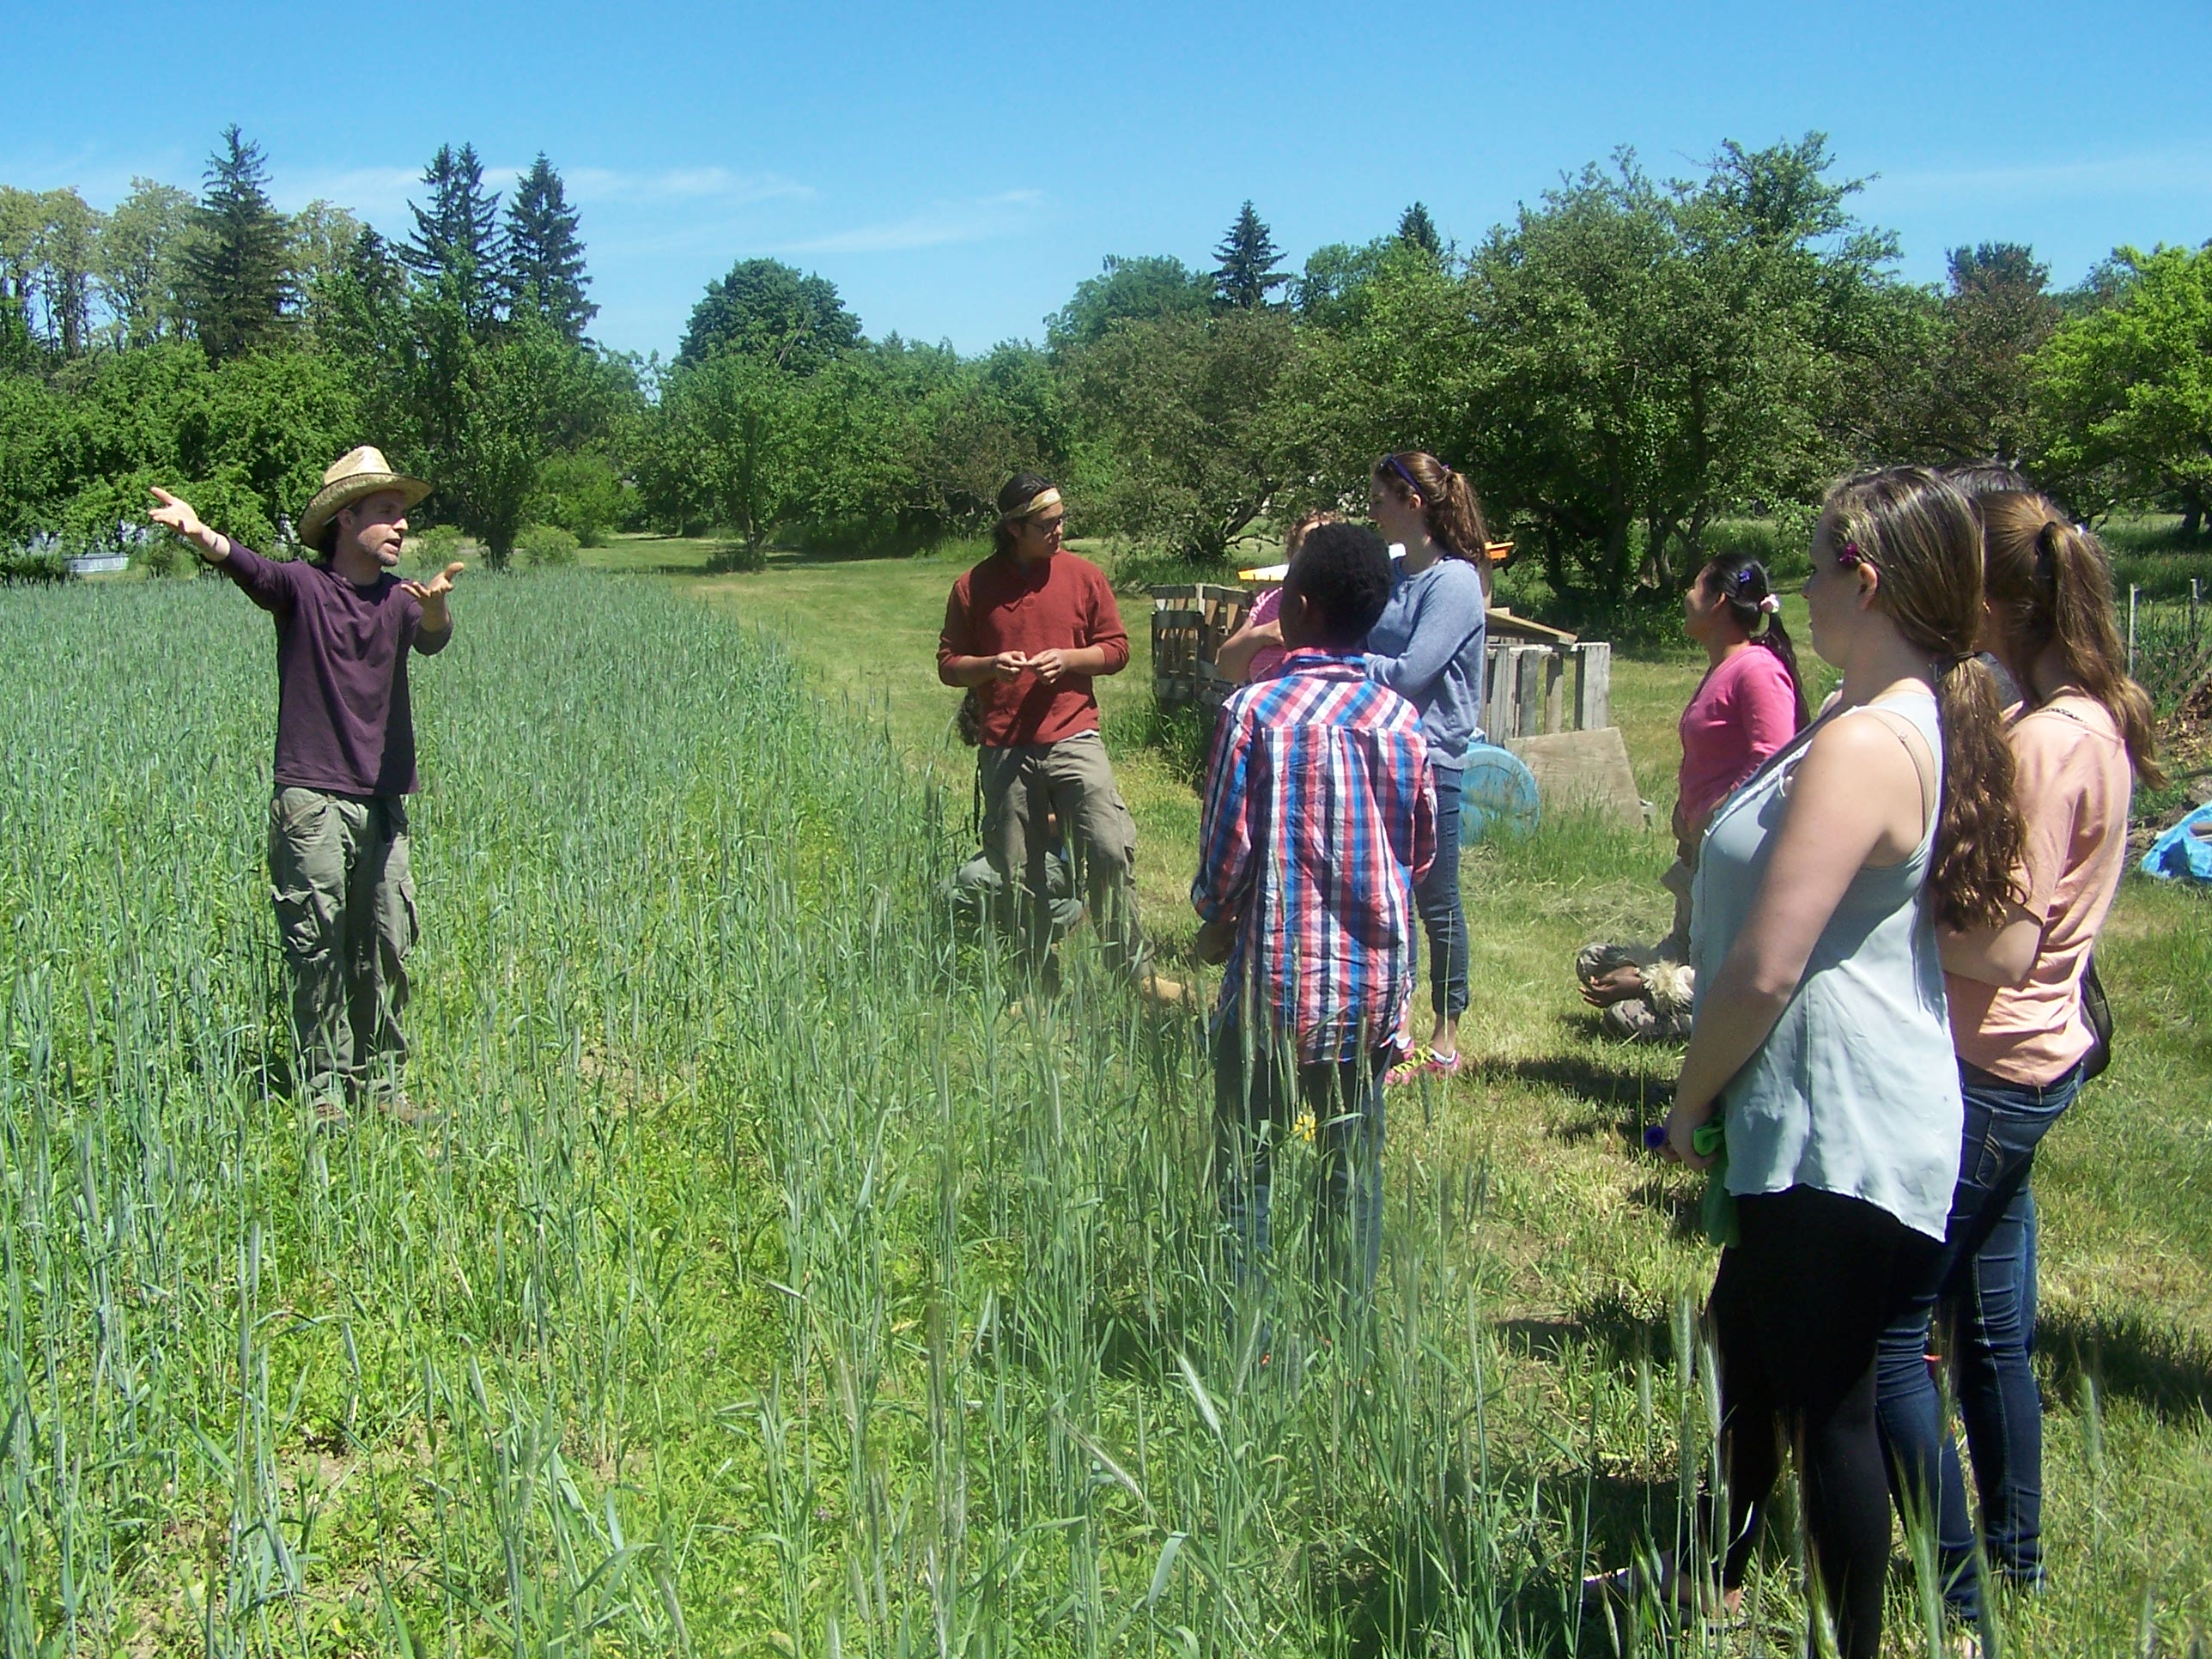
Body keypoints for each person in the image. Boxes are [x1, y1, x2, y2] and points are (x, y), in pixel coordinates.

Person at [1605, 468, 2024, 1658]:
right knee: (1750, 1341)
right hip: (1824, 1116)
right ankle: (1714, 1571)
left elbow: (1770, 966)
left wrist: (1686, 1103)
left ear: (1864, 575)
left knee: (1836, 1413)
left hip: (1837, 1130)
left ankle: (1856, 1642)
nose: (1802, 583)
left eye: (1816, 561)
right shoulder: (1869, 717)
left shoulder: (1870, 740)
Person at [1875, 492, 2160, 1626]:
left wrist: (1878, 920)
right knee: (1994, 1330)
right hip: (2034, 1057)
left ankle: (1959, 1603)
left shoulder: (2043, 745)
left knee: (1893, 1334)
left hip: (1990, 1064)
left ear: (1993, 599)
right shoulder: (2087, 719)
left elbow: (2001, 940)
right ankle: (2019, 1560)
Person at [146, 448, 464, 1126]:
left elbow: (432, 637)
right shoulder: (303, 590)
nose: (401, 525)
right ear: (346, 520)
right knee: (316, 945)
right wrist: (202, 535)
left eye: (403, 512)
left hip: (382, 801)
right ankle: (322, 1092)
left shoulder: (402, 601)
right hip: (311, 799)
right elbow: (250, 568)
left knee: (386, 943)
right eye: (386, 512)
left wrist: (435, 611)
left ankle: (381, 1086)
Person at [1192, 521, 1435, 1327]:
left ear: (1293, 605)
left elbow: (1226, 859)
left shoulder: (1254, 711)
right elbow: (1419, 854)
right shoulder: (1404, 722)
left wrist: (1216, 916)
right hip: (1370, 987)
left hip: (1274, 986)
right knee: (1352, 1160)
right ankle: (1347, 1330)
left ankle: (1245, 1338)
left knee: (1249, 1161)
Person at [937, 473, 1181, 1003]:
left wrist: (1069, 659)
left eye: (1061, 520)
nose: (1059, 531)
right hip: (1005, 746)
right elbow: (949, 665)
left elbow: (1116, 650)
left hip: (1074, 734)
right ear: (1014, 527)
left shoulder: (1083, 576)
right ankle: (1036, 977)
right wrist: (988, 668)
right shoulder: (972, 587)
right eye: (1047, 524)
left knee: (1109, 848)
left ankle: (1135, 973)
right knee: (1017, 869)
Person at [1577, 554, 1808, 1039]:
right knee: (1597, 961)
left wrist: (1715, 820)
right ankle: (1659, 990)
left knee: (1679, 978)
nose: (1685, 595)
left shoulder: (1757, 671)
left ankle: (1677, 1004)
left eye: (1695, 585)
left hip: (1734, 857)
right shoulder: (1726, 666)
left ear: (1719, 601)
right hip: (1701, 856)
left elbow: (1772, 763)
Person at [1362, 452, 1491, 1082]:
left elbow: (1413, 673)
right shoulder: (1391, 574)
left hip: (1433, 759)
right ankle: (1399, 1029)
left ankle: (1447, 1031)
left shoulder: (1455, 582)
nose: (1373, 509)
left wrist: (1350, 667)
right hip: (1384, 753)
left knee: (1435, 900)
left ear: (1413, 502)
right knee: (1391, 898)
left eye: (1381, 498)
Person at [1216, 511, 1345, 684]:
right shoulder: (1270, 600)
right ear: (1291, 554)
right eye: (1307, 545)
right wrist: (1262, 634)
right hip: (1267, 706)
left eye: (1324, 545)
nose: (1315, 554)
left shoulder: (1348, 604)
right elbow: (1227, 668)